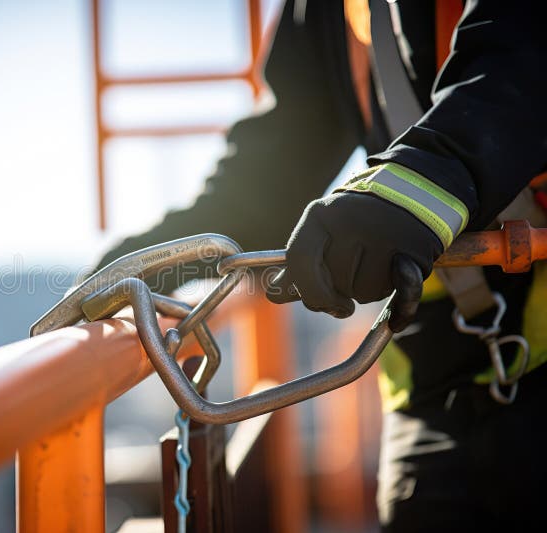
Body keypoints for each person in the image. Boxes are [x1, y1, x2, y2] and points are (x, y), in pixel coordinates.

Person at [95, 0, 547, 530]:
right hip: (437, 379)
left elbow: (526, 54)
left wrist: (425, 179)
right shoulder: (331, 9)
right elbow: (279, 169)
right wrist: (137, 265)